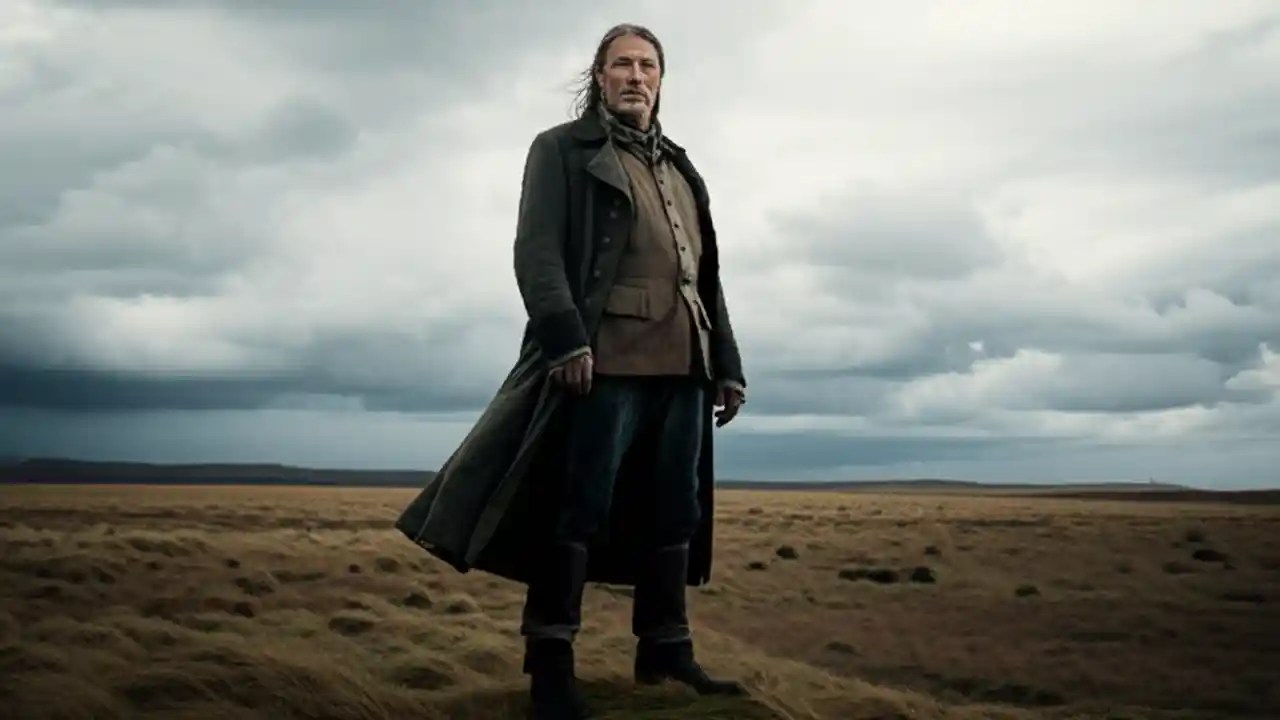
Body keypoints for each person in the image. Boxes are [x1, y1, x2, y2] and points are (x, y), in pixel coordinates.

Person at [394, 22, 747, 720]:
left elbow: (703, 277)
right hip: (603, 358)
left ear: (661, 80)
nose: (636, 77)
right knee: (576, 510)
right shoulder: (560, 150)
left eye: (648, 66)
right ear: (599, 76)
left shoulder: (680, 166)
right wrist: (566, 343)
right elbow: (537, 254)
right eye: (622, 65)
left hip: (684, 364)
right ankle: (551, 662)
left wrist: (726, 365)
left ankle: (665, 652)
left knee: (675, 509)